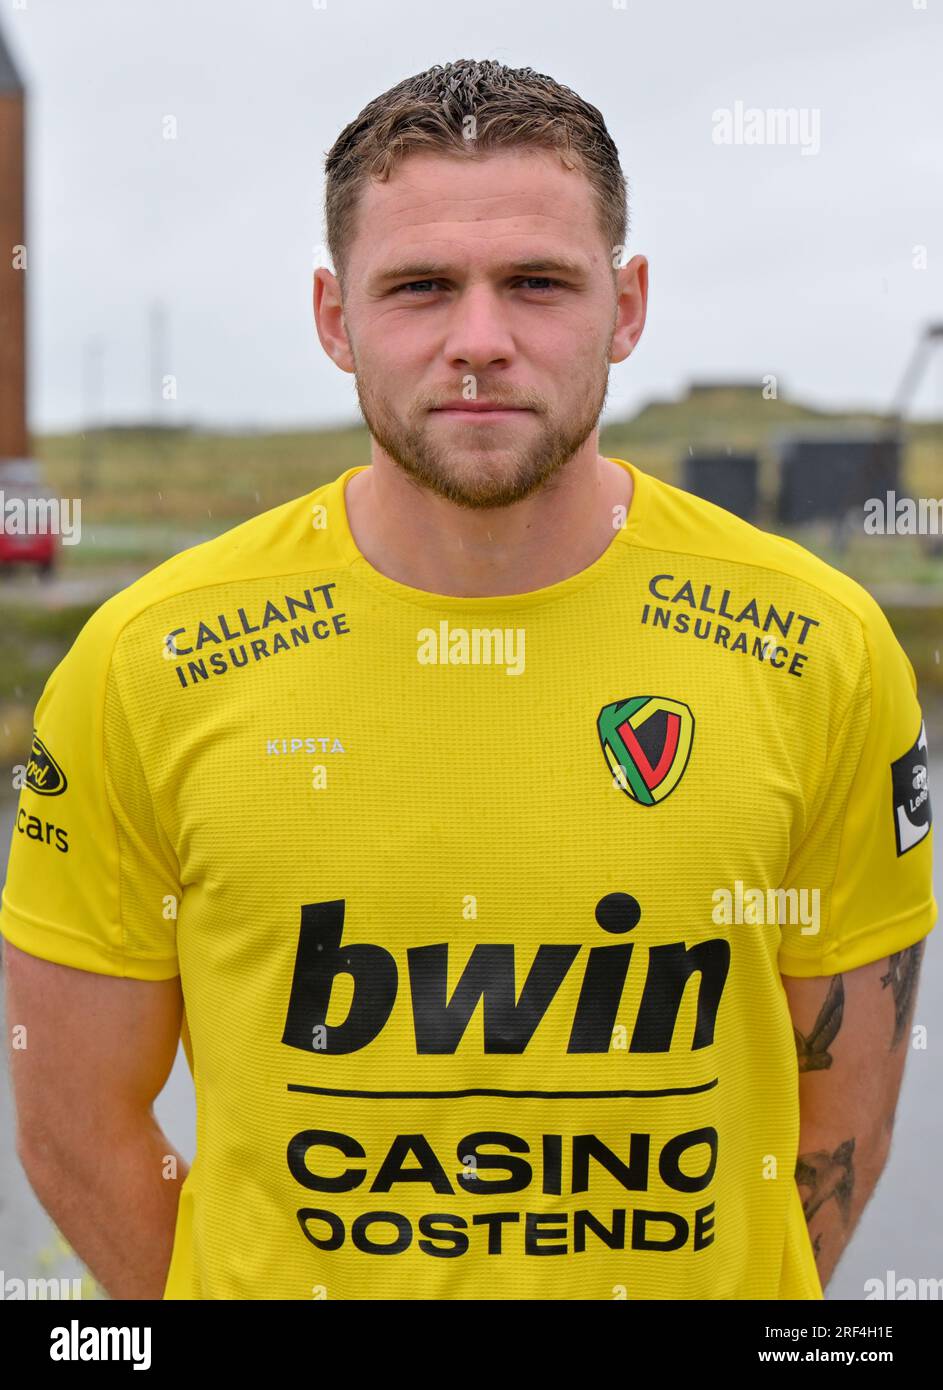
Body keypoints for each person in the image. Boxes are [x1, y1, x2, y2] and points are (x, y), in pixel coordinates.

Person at [1, 58, 936, 1301]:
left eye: (539, 284)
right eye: (420, 288)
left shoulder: (815, 645)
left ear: (628, 304)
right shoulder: (149, 661)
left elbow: (837, 1117)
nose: (480, 341)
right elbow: (80, 1129)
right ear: (335, 318)